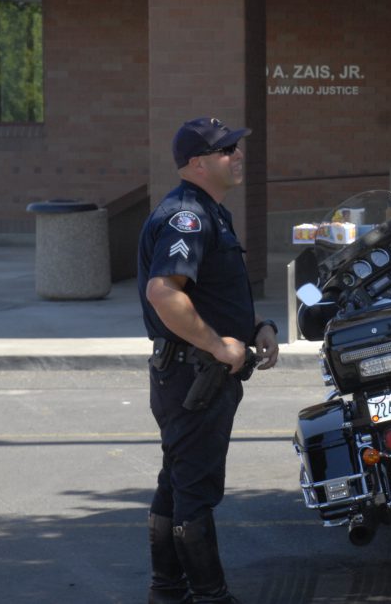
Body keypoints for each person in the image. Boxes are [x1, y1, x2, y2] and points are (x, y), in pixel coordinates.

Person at [138, 116, 280, 603]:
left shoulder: (212, 211)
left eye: (237, 148)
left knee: (177, 478)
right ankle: (209, 595)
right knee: (194, 488)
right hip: (192, 374)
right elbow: (165, 293)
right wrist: (219, 346)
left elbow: (210, 293)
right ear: (197, 163)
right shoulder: (187, 217)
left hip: (194, 371)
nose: (238, 156)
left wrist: (254, 326)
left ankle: (168, 588)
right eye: (227, 151)